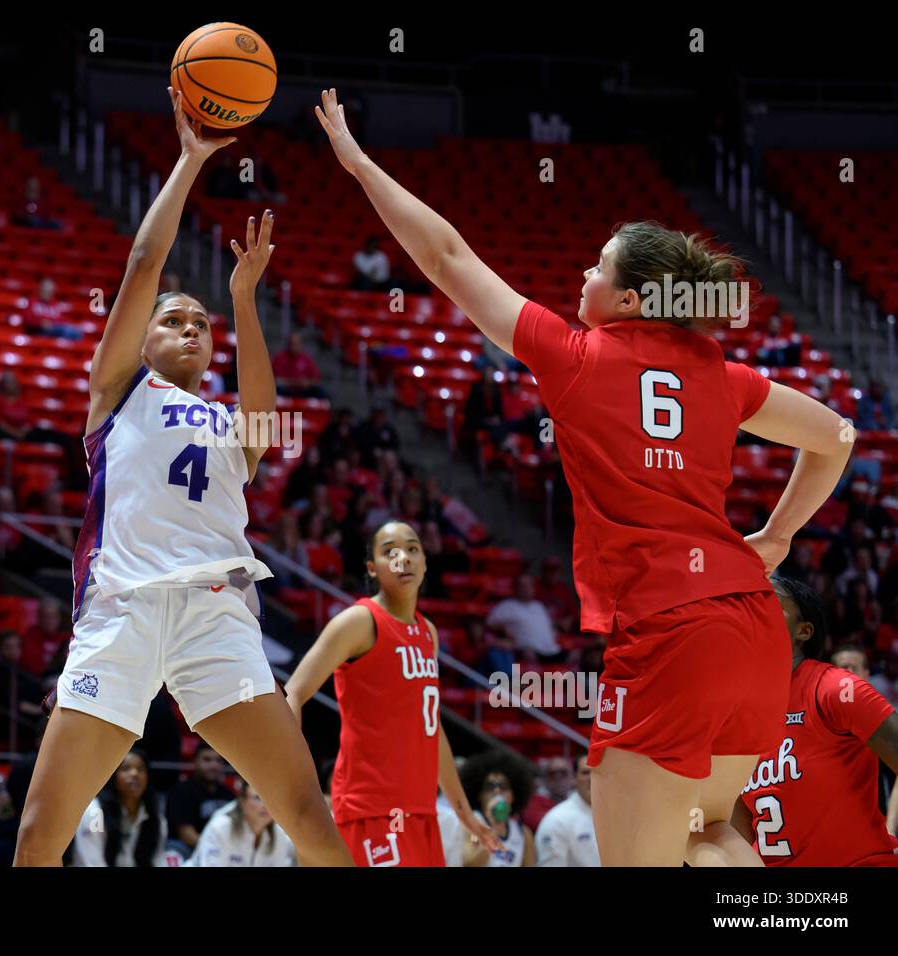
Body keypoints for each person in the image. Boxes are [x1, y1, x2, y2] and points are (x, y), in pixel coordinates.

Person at [315, 87, 857, 866]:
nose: (582, 271)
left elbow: (445, 258)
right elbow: (836, 437)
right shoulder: (724, 375)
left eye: (597, 265)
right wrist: (776, 535)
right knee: (709, 838)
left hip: (670, 632)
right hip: (752, 629)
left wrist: (361, 165)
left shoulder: (573, 357)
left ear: (631, 298)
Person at [15, 88, 350, 868]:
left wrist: (243, 301)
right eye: (175, 320)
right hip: (124, 610)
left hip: (215, 615)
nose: (191, 330)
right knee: (41, 831)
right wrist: (192, 158)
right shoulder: (118, 391)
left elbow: (264, 418)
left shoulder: (228, 426)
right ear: (145, 338)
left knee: (305, 808)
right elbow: (142, 264)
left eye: (201, 324)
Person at [287, 520, 495, 866]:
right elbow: (293, 692)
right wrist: (294, 786)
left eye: (413, 549)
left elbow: (431, 729)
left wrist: (463, 812)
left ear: (425, 561)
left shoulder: (427, 631)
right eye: (390, 552)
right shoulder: (357, 621)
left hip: (421, 811)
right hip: (372, 810)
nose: (404, 559)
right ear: (372, 567)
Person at [730, 575, 898, 866]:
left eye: (768, 599)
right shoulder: (732, 716)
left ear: (803, 631)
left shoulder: (833, 689)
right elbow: (735, 833)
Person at [72, 750, 172, 867]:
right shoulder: (94, 812)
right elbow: (92, 863)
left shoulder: (157, 820)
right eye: (126, 768)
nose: (134, 773)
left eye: (140, 769)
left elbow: (158, 862)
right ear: (112, 775)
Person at [185, 779, 295, 866]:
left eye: (270, 799)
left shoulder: (279, 834)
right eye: (258, 798)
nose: (265, 805)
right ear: (242, 801)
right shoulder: (220, 827)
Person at [462, 752, 535, 867]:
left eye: (503, 786)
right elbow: (471, 864)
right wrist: (494, 828)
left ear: (513, 795)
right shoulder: (469, 824)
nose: (497, 791)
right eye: (490, 787)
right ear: (479, 795)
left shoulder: (523, 833)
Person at [165, 741, 235, 855]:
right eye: (207, 760)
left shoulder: (228, 794)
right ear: (195, 762)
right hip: (189, 850)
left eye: (218, 760)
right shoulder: (182, 790)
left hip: (222, 850)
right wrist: (215, 850)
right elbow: (186, 835)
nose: (214, 765)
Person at [534, 754, 599, 867]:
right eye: (585, 772)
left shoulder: (617, 815)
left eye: (597, 772)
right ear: (574, 779)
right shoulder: (556, 820)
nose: (592, 777)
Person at [486, 574, 566, 664]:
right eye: (523, 586)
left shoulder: (539, 606)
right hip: (528, 652)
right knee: (529, 655)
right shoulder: (507, 606)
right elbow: (489, 623)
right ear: (516, 588)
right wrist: (504, 629)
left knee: (576, 654)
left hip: (551, 650)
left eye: (529, 585)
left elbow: (547, 626)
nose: (527, 588)